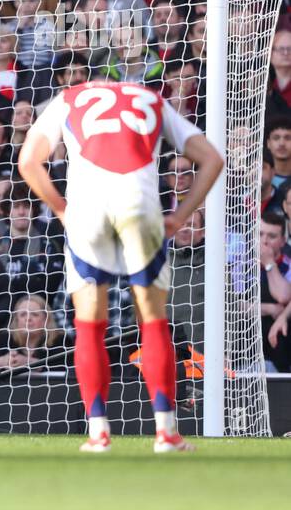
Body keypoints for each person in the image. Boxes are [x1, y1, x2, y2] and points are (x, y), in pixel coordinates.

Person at [18, 79, 224, 453]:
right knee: (153, 320)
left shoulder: (67, 99)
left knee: (89, 325)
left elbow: (28, 161)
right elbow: (213, 159)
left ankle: (98, 433)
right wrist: (180, 216)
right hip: (139, 204)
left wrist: (61, 209)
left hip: (88, 208)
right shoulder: (151, 99)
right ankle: (166, 433)